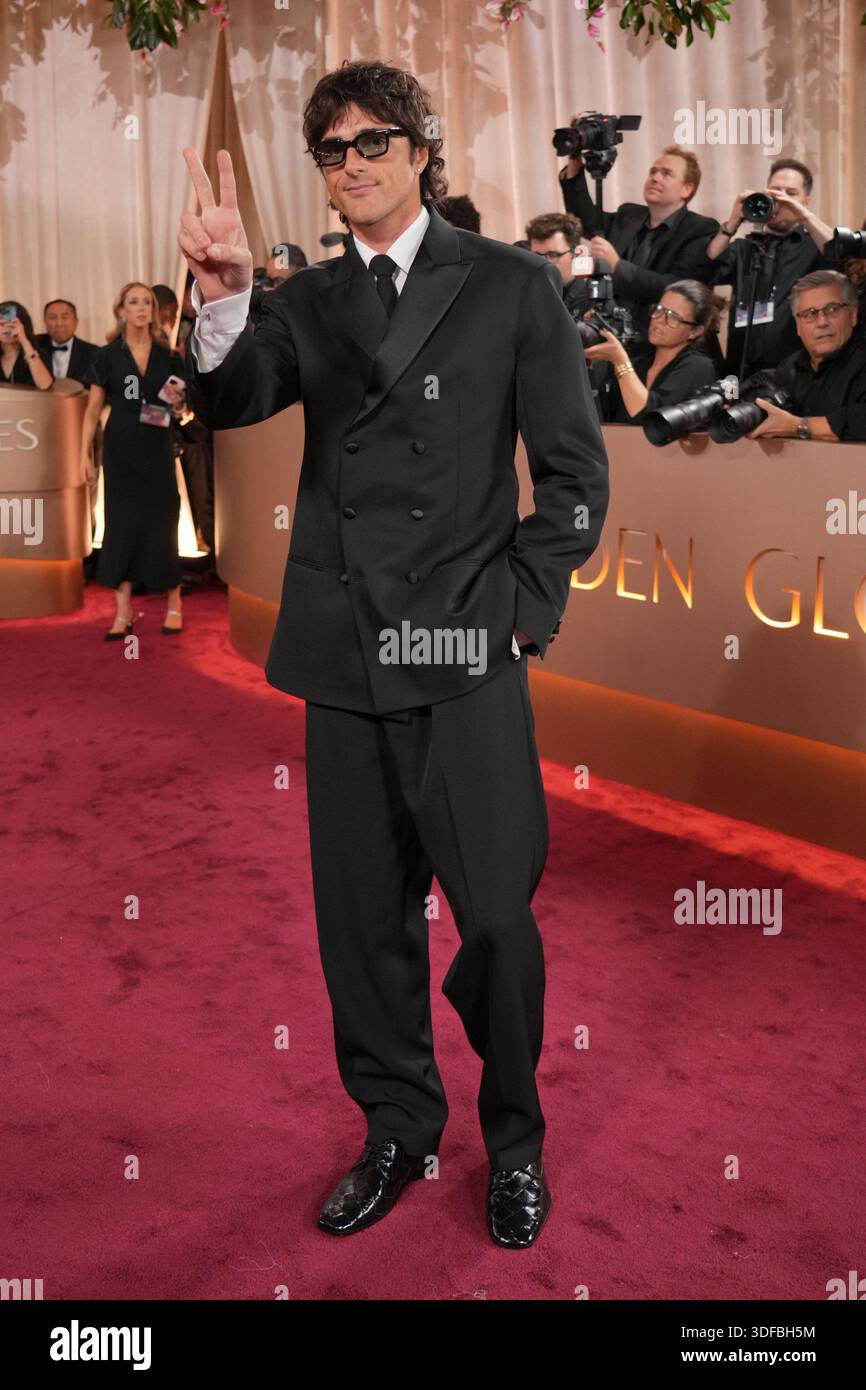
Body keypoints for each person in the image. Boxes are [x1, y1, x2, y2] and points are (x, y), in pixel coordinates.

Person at [180, 58, 609, 1249]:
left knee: (494, 924)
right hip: (344, 660)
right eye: (332, 149)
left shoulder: (513, 285)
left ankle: (512, 1140)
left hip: (466, 655)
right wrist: (222, 293)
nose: (354, 163)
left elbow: (572, 476)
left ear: (421, 149)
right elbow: (238, 393)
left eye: (374, 141)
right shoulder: (306, 301)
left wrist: (523, 607)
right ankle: (397, 1124)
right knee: (361, 925)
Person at [80, 283, 186, 639]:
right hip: (120, 449)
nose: (141, 308)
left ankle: (174, 602)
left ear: (154, 311)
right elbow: (92, 410)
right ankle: (124, 610)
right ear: (121, 309)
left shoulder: (169, 357)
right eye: (134, 301)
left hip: (158, 447)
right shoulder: (105, 356)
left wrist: (181, 407)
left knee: (164, 517)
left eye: (147, 302)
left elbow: (178, 406)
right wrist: (84, 454)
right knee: (121, 523)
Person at [558, 134, 718, 337]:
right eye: (653, 171)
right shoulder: (629, 214)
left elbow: (678, 288)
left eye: (667, 174)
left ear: (687, 189)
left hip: (660, 338)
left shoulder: (700, 229)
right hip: (614, 332)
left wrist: (617, 266)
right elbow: (586, 221)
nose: (655, 178)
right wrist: (574, 159)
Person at [688, 158, 837, 377]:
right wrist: (733, 221)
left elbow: (839, 252)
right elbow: (705, 268)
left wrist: (804, 216)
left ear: (805, 201)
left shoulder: (814, 246)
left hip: (796, 370)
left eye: (791, 193)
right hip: (741, 369)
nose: (782, 198)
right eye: (775, 191)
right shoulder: (747, 246)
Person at [744, 270, 866, 443]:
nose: (822, 322)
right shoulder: (789, 368)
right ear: (798, 326)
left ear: (853, 315)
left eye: (833, 309)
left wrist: (798, 426)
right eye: (809, 314)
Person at [583, 280, 723, 425]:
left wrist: (620, 361)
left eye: (673, 316)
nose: (659, 320)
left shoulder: (698, 367)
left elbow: (648, 417)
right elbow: (602, 416)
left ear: (695, 331)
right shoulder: (638, 364)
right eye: (659, 309)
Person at [36, 299, 99, 386]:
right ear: (45, 321)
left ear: (76, 322)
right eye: (52, 318)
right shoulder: (34, 346)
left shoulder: (94, 354)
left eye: (65, 317)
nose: (59, 324)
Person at [0, 302, 53, 389]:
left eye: (13, 324)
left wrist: (24, 341)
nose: (7, 329)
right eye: (2, 324)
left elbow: (44, 385)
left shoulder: (39, 352)